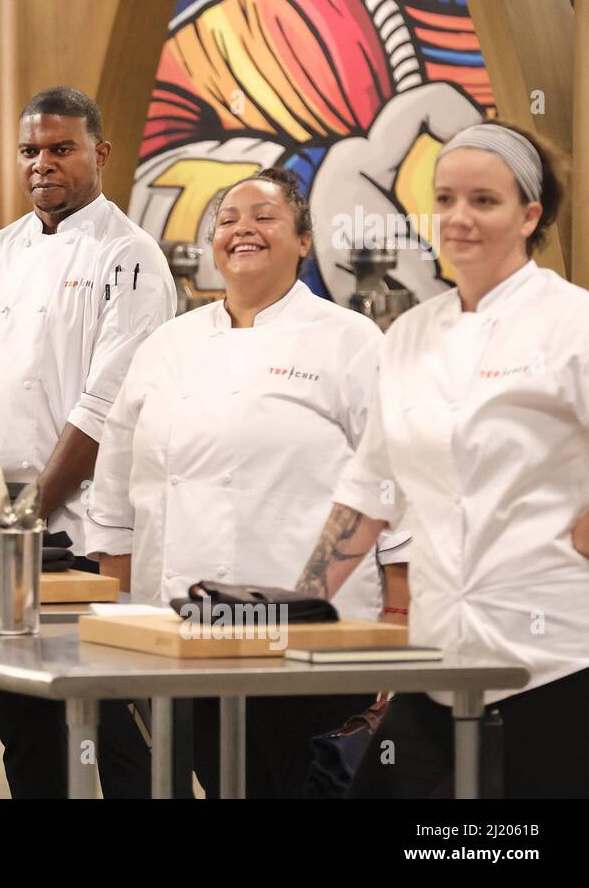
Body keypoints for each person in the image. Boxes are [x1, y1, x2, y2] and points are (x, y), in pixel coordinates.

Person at [86, 167, 409, 798]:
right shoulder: (166, 346)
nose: (243, 231)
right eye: (228, 221)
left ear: (304, 240)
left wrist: (398, 630)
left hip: (313, 637)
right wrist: (114, 621)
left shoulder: (350, 341)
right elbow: (114, 496)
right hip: (180, 632)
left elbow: (397, 492)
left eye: (264, 217)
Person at [296, 120, 589, 798]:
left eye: (484, 201)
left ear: (530, 214)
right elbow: (369, 491)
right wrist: (296, 608)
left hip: (556, 661)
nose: (459, 218)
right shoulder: (409, 337)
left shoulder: (572, 323)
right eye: (446, 198)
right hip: (440, 660)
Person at [0, 87, 176, 798]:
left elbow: (106, 410)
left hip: (87, 531)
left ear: (99, 153)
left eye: (61, 149)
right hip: (2, 530)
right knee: (26, 727)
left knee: (116, 725)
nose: (43, 163)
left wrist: (23, 516)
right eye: (31, 151)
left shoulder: (132, 258)